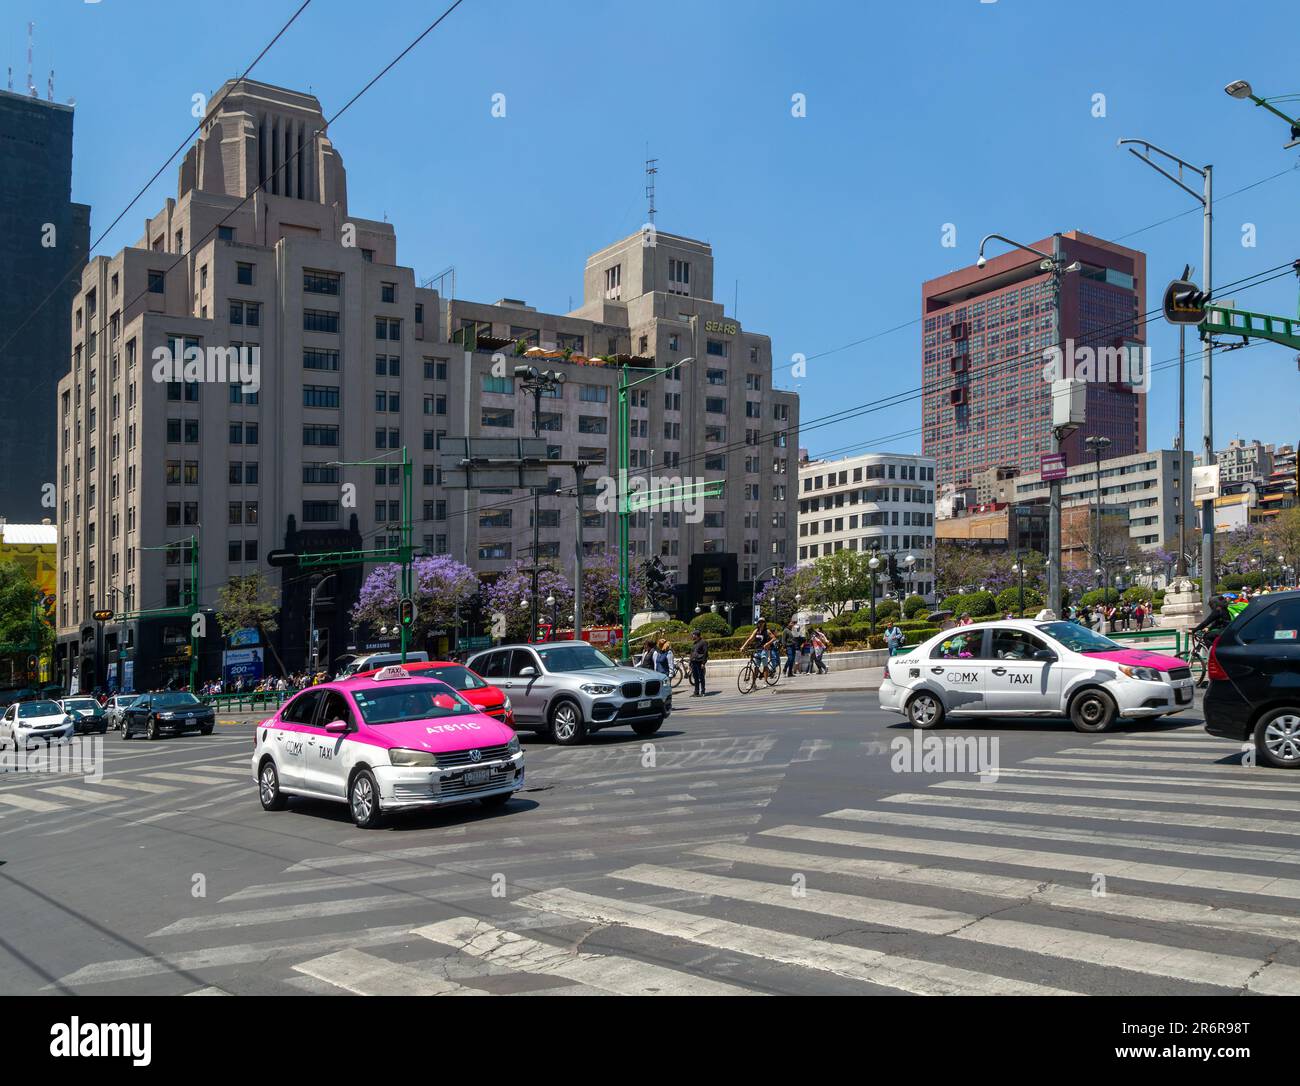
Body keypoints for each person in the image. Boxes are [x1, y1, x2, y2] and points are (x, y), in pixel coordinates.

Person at [688, 630, 708, 697]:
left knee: (701, 677)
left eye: (693, 635)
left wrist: (703, 663)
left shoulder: (703, 642)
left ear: (696, 635)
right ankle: (696, 692)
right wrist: (690, 663)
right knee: (695, 677)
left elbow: (705, 653)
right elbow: (692, 653)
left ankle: (703, 691)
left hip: (699, 662)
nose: (692, 636)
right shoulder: (694, 643)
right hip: (693, 662)